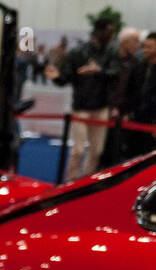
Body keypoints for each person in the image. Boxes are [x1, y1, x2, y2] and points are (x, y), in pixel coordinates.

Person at [46, 15, 119, 180]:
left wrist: (98, 71)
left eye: (112, 32)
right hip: (81, 106)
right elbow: (65, 78)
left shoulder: (111, 53)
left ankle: (87, 181)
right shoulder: (78, 52)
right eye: (108, 31)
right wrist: (54, 75)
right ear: (98, 31)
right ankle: (70, 182)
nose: (110, 35)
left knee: (97, 150)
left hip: (101, 106)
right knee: (78, 150)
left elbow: (115, 74)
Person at [124, 32, 156, 157]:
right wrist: (126, 112)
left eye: (149, 47)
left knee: (151, 156)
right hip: (135, 118)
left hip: (153, 121)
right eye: (144, 46)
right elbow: (129, 91)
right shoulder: (138, 66)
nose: (145, 50)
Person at [104, 27, 142, 165]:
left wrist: (125, 110)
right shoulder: (110, 59)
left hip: (123, 113)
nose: (139, 44)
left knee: (118, 149)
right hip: (104, 110)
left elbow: (134, 90)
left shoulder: (137, 63)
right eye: (136, 41)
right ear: (125, 42)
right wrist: (109, 106)